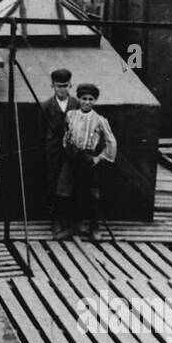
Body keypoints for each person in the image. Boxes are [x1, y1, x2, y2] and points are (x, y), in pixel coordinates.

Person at [55, 83, 117, 239]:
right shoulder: (70, 115)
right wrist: (68, 147)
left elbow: (111, 141)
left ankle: (94, 227)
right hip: (72, 157)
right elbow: (66, 133)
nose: (87, 102)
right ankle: (70, 227)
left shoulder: (99, 120)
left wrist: (99, 157)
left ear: (95, 100)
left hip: (87, 158)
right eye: (84, 99)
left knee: (91, 193)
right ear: (79, 99)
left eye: (91, 99)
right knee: (66, 191)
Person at [39, 67, 73, 236]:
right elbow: (40, 131)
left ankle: (68, 219)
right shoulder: (46, 106)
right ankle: (55, 220)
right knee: (52, 184)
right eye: (59, 86)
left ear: (70, 85)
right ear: (52, 86)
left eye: (65, 85)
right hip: (53, 153)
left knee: (68, 185)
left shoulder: (75, 105)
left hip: (71, 153)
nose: (62, 89)